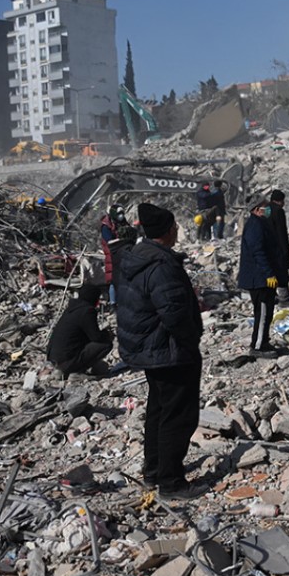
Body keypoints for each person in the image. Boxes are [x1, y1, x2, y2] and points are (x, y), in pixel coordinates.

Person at [117, 204, 207, 499]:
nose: (177, 231)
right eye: (175, 227)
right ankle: (171, 482)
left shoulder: (137, 257)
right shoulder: (162, 266)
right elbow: (174, 313)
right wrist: (190, 340)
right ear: (168, 231)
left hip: (150, 349)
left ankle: (154, 471)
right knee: (178, 415)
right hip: (169, 350)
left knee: (159, 409)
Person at [237, 199, 284, 357]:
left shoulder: (260, 223)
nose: (268, 210)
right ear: (257, 209)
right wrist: (268, 273)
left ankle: (263, 341)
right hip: (259, 278)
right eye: (265, 208)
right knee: (263, 312)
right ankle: (257, 347)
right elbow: (258, 252)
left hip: (262, 277)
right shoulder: (255, 226)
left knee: (267, 312)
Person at [47, 283, 113, 379]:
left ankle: (66, 368)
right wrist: (107, 334)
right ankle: (76, 371)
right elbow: (96, 337)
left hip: (54, 357)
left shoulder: (71, 309)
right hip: (66, 360)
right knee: (106, 344)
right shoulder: (87, 311)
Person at [99, 204, 134, 306]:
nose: (121, 216)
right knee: (113, 279)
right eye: (119, 214)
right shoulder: (106, 226)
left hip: (123, 251)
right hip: (112, 253)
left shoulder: (122, 222)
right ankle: (113, 302)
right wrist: (121, 240)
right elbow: (109, 241)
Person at [267, 189, 289, 302]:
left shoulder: (265, 210)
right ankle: (284, 298)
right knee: (281, 274)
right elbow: (281, 232)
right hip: (278, 249)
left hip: (267, 248)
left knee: (271, 274)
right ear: (279, 201)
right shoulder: (278, 211)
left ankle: (271, 296)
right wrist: (285, 250)